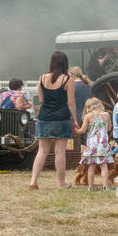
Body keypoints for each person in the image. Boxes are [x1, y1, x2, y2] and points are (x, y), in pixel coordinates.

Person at [29, 51, 80, 189]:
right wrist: (75, 119)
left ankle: (33, 181)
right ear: (65, 63)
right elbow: (71, 102)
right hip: (61, 118)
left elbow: (41, 100)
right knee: (59, 152)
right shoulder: (67, 80)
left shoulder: (42, 78)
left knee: (42, 151)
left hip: (44, 117)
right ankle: (61, 183)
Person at [76, 97, 113, 191]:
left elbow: (82, 130)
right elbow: (109, 128)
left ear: (88, 107)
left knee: (91, 166)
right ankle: (105, 186)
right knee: (104, 166)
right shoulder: (106, 115)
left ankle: (91, 186)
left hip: (92, 145)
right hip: (103, 145)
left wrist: (76, 130)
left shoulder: (88, 116)